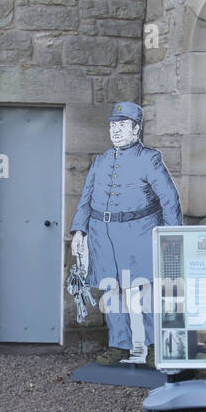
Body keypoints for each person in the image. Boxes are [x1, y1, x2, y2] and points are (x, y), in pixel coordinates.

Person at [70, 102, 183, 366]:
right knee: (111, 292)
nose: (116, 131)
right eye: (113, 126)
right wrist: (79, 231)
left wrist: (170, 236)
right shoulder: (101, 161)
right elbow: (85, 199)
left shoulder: (149, 158)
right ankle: (119, 346)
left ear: (136, 129)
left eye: (122, 126)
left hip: (140, 233)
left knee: (145, 291)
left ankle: (155, 347)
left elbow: (170, 199)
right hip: (102, 236)